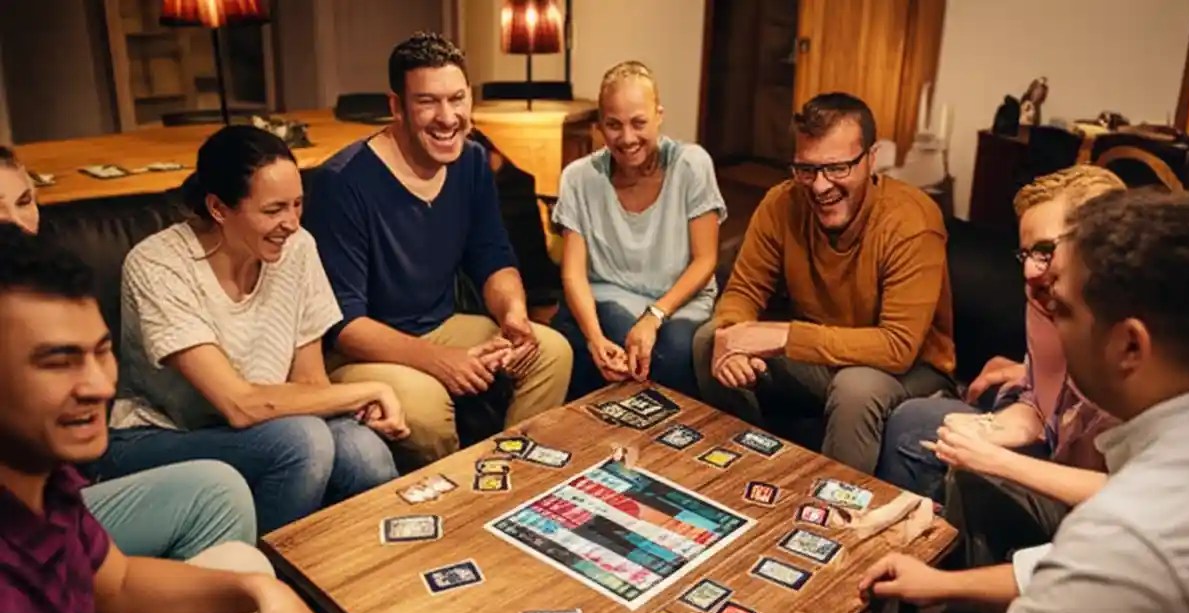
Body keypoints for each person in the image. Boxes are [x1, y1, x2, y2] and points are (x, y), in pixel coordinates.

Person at [753, 188, 1189, 613]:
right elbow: (1072, 573)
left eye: (1066, 310)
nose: (1050, 317)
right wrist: (945, 583)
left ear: (1130, 347)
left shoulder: (1133, 534)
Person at [0, 228, 399, 613]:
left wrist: (261, 591)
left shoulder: (43, 477)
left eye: (101, 352)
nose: (99, 386)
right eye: (58, 363)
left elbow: (118, 582)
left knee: (244, 568)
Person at [93, 126, 405, 535]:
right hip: (160, 434)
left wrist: (349, 406)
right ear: (219, 208)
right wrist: (372, 390)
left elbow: (309, 381)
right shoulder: (158, 264)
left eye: (297, 205)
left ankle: (364, 581)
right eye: (273, 210)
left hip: (267, 425)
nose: (291, 223)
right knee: (303, 442)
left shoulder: (298, 248)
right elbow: (238, 405)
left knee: (364, 451)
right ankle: (267, 580)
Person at [306, 32, 571, 464]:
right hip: (362, 349)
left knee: (552, 351)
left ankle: (510, 477)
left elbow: (493, 256)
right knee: (427, 408)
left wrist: (513, 315)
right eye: (428, 101)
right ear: (396, 107)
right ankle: (460, 507)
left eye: (457, 99)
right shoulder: (343, 182)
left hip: (442, 326)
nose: (447, 117)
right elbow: (344, 326)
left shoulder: (471, 162)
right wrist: (440, 360)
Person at [1, 148, 257, 559]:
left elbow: (115, 579)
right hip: (32, 529)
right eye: (56, 362)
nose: (15, 223)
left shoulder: (54, 279)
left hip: (67, 498)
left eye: (25, 202)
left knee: (241, 556)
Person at [692, 92, 955, 473]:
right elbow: (744, 291)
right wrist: (733, 335)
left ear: (871, 158)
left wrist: (783, 337)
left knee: (855, 388)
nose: (819, 186)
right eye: (807, 169)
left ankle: (835, 520)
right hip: (823, 354)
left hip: (909, 367)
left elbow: (897, 346)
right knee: (709, 339)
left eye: (838, 168)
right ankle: (749, 472)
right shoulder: (781, 203)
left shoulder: (912, 222)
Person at [876, 166, 1124, 563]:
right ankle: (897, 566)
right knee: (916, 421)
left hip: (1110, 518)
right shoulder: (1044, 302)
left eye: (1045, 251)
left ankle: (949, 596)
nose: (1029, 271)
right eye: (1025, 254)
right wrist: (992, 430)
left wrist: (994, 458)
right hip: (1057, 456)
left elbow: (1134, 494)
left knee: (973, 474)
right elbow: (1042, 404)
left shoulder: (1136, 345)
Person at [550, 61, 725, 399]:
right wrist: (594, 338)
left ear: (659, 115)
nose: (627, 138)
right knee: (601, 335)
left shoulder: (692, 164)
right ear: (600, 125)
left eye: (639, 123)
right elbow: (573, 275)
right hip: (609, 299)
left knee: (671, 354)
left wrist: (653, 316)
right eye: (614, 125)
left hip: (679, 301)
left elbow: (706, 261)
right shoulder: (578, 177)